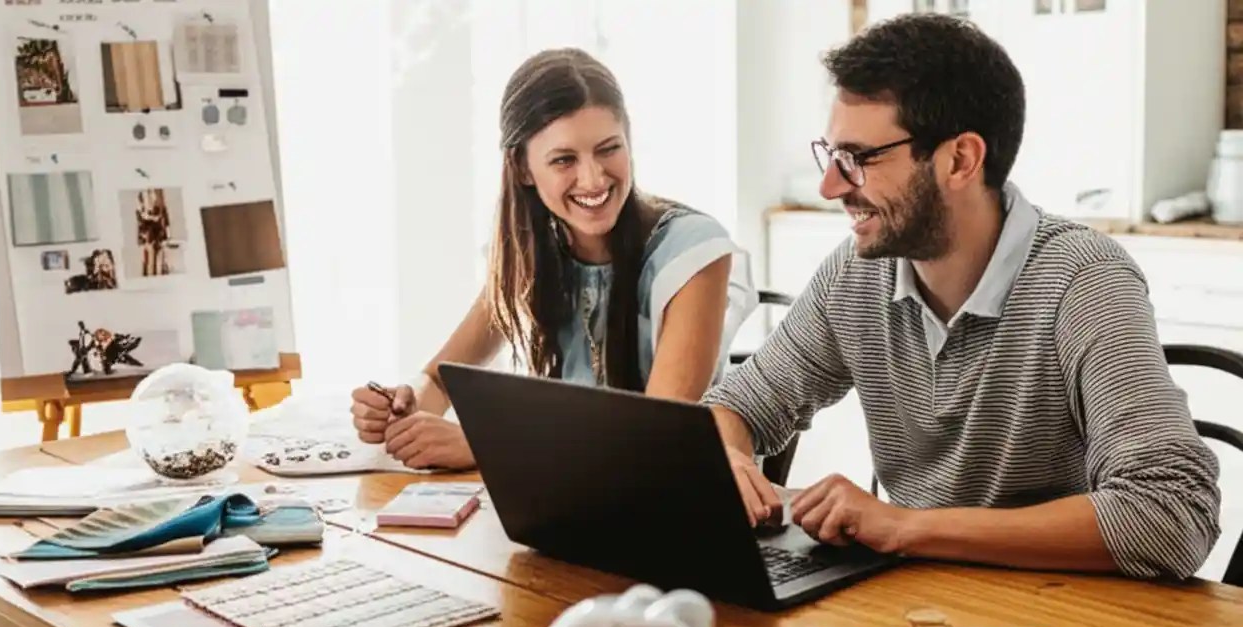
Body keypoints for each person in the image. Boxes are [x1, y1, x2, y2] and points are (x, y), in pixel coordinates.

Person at [703, 14, 1220, 581]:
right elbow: (736, 407)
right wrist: (724, 459)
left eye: (858, 159)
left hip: (1059, 613)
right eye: (830, 155)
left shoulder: (1083, 282)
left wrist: (906, 527)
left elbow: (1170, 512)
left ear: (960, 160)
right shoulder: (854, 275)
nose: (830, 186)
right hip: (913, 600)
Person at [351, 48, 756, 470]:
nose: (594, 178)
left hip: (672, 502)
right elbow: (440, 378)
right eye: (564, 159)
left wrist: (487, 446)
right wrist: (402, 406)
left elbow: (653, 440)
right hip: (571, 497)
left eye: (608, 149)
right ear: (523, 168)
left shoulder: (693, 253)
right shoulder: (530, 251)